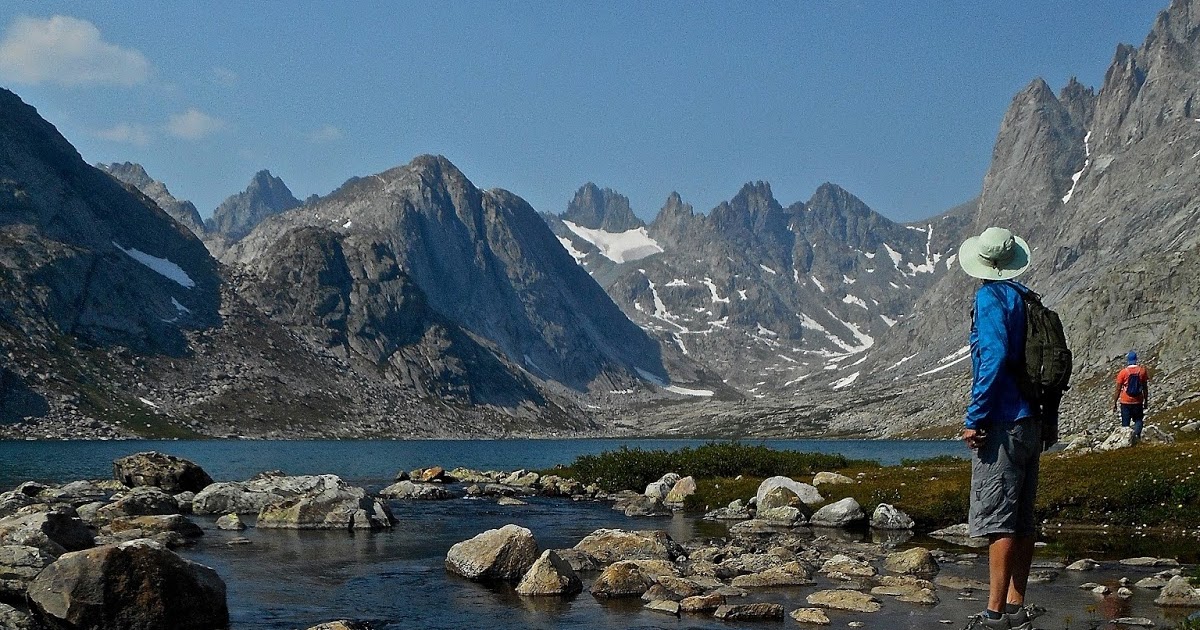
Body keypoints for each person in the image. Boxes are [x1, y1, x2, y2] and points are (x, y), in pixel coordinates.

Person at [958, 227, 1041, 630]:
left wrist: (975, 418)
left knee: (998, 519)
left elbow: (992, 356)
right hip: (1031, 421)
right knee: (1022, 518)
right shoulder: (1025, 298)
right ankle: (1016, 606)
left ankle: (993, 615)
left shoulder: (989, 297)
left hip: (1003, 424)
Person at [1113, 350, 1149, 439]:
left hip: (1125, 401)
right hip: (1138, 401)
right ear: (1136, 359)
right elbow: (1145, 387)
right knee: (1138, 420)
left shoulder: (1123, 372)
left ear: (1128, 360)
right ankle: (1136, 436)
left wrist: (1114, 402)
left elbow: (1118, 389)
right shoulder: (1142, 371)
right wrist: (1146, 400)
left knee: (1125, 424)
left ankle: (1127, 441)